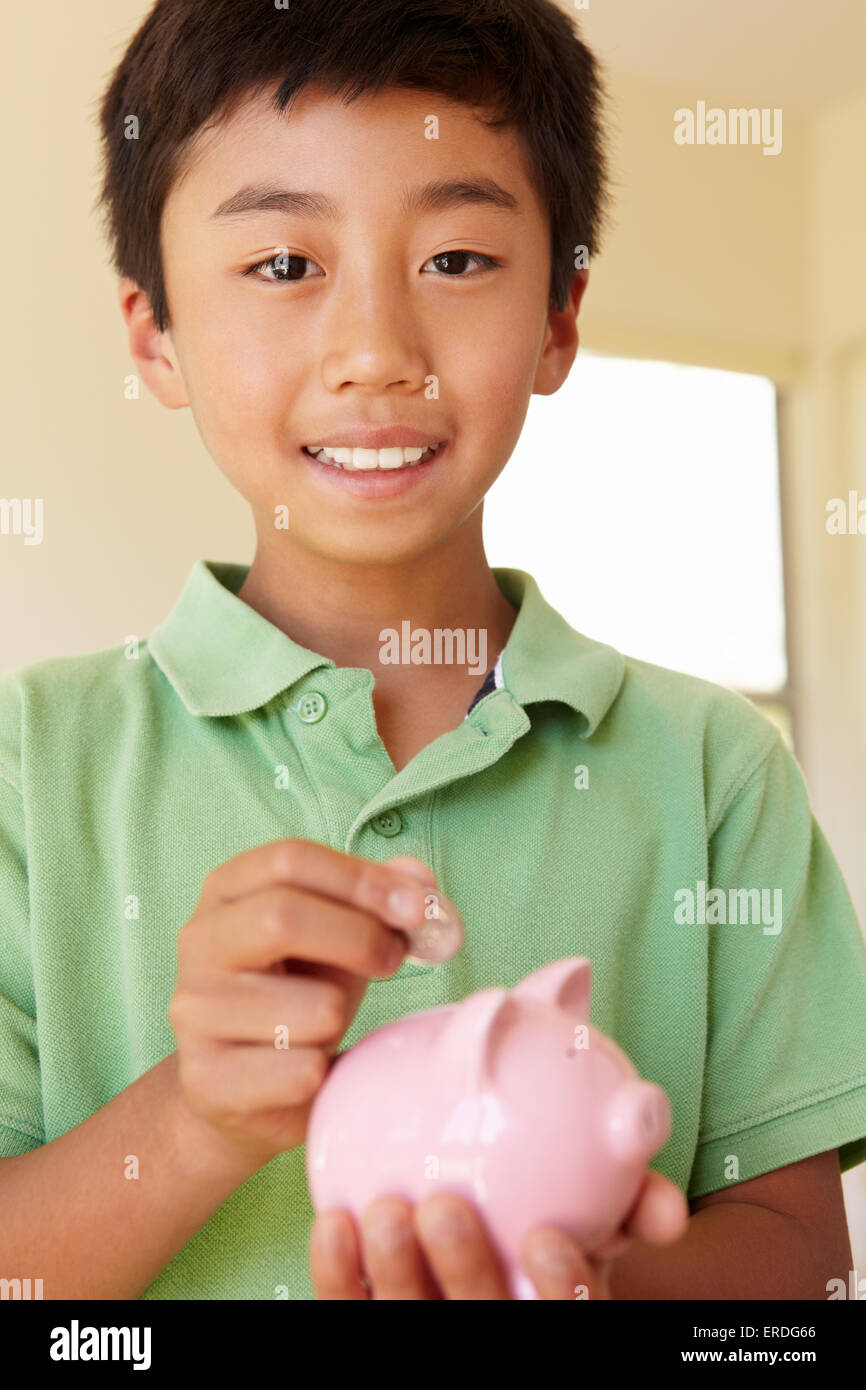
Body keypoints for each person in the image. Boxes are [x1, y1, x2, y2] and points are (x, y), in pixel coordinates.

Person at [0, 0, 863, 1300]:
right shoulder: (28, 764)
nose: (375, 355)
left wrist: (578, 1289)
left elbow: (801, 1256)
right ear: (153, 334)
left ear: (561, 314)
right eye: (285, 266)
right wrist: (195, 1122)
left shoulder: (712, 771)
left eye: (456, 260)